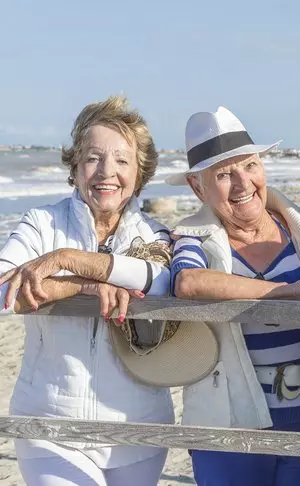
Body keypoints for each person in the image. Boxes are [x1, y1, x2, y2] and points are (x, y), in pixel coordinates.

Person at [165, 106, 300, 486]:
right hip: (228, 425)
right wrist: (285, 293)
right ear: (198, 187)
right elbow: (189, 283)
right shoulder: (191, 237)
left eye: (249, 166)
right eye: (224, 174)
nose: (242, 182)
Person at [0, 96, 174, 486]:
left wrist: (67, 261)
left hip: (139, 428)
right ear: (75, 166)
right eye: (93, 157)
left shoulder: (154, 234)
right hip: (49, 425)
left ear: (139, 171)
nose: (106, 172)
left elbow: (162, 280)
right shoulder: (41, 223)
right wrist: (86, 287)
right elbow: (2, 290)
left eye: (122, 160)